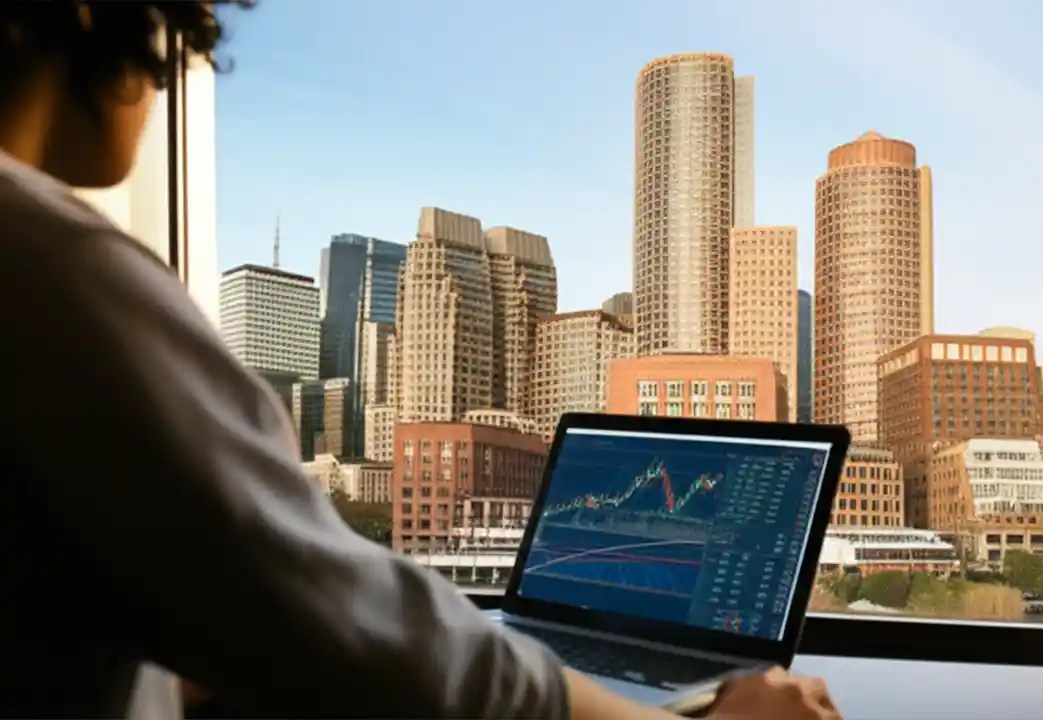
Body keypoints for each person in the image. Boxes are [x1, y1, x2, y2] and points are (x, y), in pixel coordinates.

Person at [0, 3, 842, 719]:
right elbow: (350, 630)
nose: (164, 83)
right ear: (90, 15)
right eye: (175, 33)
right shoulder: (51, 273)